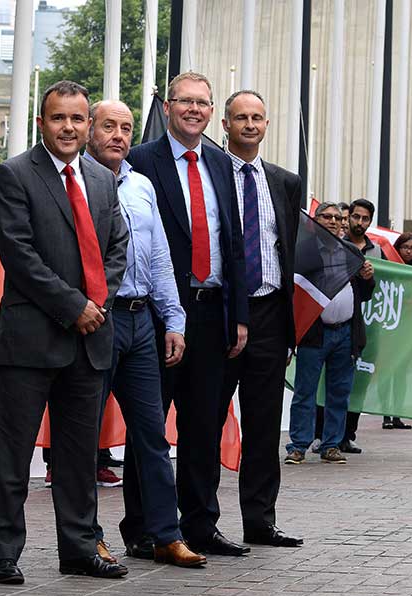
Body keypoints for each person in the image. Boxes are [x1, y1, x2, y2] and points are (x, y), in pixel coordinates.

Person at [0, 80, 130, 584]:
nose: (68, 127)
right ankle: (3, 552)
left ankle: (80, 548)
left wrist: (96, 305)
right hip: (31, 339)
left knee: (78, 456)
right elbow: (19, 256)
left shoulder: (104, 179)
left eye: (77, 119)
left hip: (90, 341)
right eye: (58, 118)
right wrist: (74, 307)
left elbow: (117, 248)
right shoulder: (15, 174)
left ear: (89, 125)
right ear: (41, 122)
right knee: (12, 452)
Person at [127, 71, 251, 557]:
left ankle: (201, 525)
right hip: (160, 318)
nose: (194, 110)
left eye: (203, 102)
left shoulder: (221, 164)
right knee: (149, 425)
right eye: (185, 102)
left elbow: (233, 243)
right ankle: (142, 528)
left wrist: (239, 315)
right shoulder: (140, 161)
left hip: (213, 311)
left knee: (204, 427)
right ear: (169, 106)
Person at [82, 100, 205, 568]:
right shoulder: (77, 182)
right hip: (96, 321)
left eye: (126, 128)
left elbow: (158, 260)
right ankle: (86, 535)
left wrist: (174, 321)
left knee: (152, 434)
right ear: (91, 129)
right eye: (108, 126)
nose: (118, 135)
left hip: (140, 322)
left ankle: (164, 535)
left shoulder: (142, 185)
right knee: (86, 435)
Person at [218, 90, 304, 547]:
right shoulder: (212, 174)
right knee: (207, 419)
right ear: (226, 125)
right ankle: (200, 522)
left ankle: (260, 520)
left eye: (258, 118)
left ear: (267, 125)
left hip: (271, 314)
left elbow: (287, 247)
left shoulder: (285, 183)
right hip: (221, 315)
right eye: (241, 118)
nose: (250, 124)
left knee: (265, 422)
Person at [286, 202, 376, 463]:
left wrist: (368, 278)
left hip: (346, 334)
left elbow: (366, 294)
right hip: (315, 334)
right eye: (327, 217)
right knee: (306, 391)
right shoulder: (303, 251)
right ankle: (298, 446)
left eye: (338, 218)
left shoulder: (350, 251)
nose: (334, 222)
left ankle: (331, 445)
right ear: (315, 221)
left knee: (339, 393)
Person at [336, 198, 381, 451]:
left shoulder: (377, 252)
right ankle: (326, 434)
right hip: (336, 320)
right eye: (356, 217)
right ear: (348, 217)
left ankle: (347, 434)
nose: (359, 222)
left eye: (365, 219)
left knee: (356, 382)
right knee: (331, 381)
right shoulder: (336, 246)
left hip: (365, 324)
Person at [380, 233, 412, 430]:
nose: (409, 251)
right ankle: (385, 414)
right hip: (389, 328)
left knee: (401, 374)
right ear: (397, 249)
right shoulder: (390, 270)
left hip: (408, 330)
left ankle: (397, 414)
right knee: (386, 372)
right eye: (405, 247)